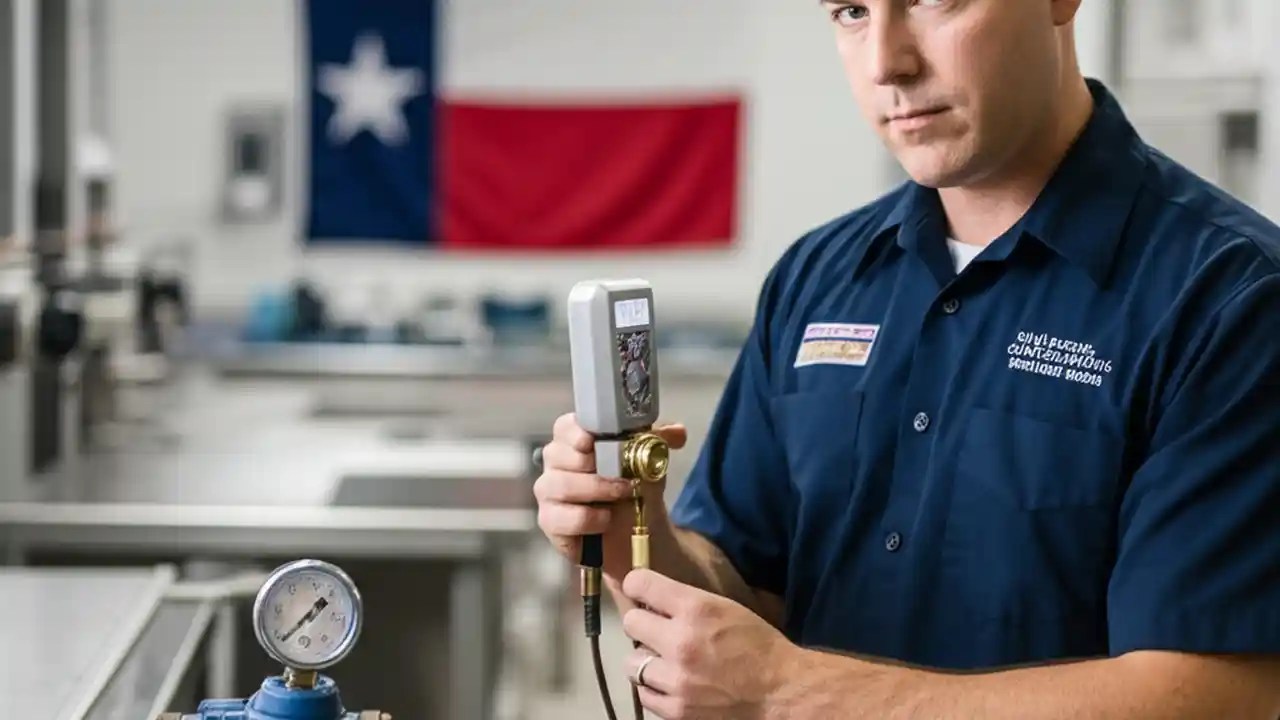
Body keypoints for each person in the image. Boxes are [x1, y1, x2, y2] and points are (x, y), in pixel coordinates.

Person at [534, 0, 1280, 717]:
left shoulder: (1229, 300)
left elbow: (1220, 698)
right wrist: (637, 536)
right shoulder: (817, 279)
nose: (887, 62)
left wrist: (793, 696)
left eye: (933, 0)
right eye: (851, 11)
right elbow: (747, 593)